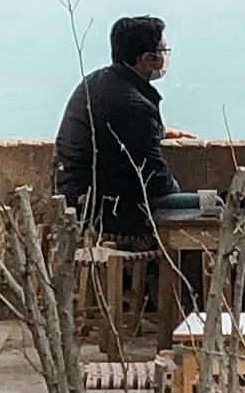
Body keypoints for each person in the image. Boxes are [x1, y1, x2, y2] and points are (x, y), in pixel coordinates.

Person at [52, 12, 195, 241]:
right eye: (162, 52)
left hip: (78, 199)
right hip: (110, 211)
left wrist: (159, 131)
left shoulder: (95, 82)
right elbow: (155, 180)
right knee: (211, 205)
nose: (165, 58)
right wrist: (176, 190)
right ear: (146, 58)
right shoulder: (134, 106)